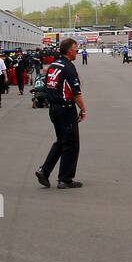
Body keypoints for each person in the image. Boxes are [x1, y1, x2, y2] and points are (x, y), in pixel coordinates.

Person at [35, 38, 86, 189]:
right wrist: (83, 109)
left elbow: (47, 85)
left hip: (54, 108)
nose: (77, 51)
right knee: (71, 143)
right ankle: (65, 179)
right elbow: (76, 93)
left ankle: (44, 170)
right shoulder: (68, 67)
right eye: (75, 49)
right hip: (65, 108)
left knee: (61, 141)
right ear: (69, 50)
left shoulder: (54, 65)